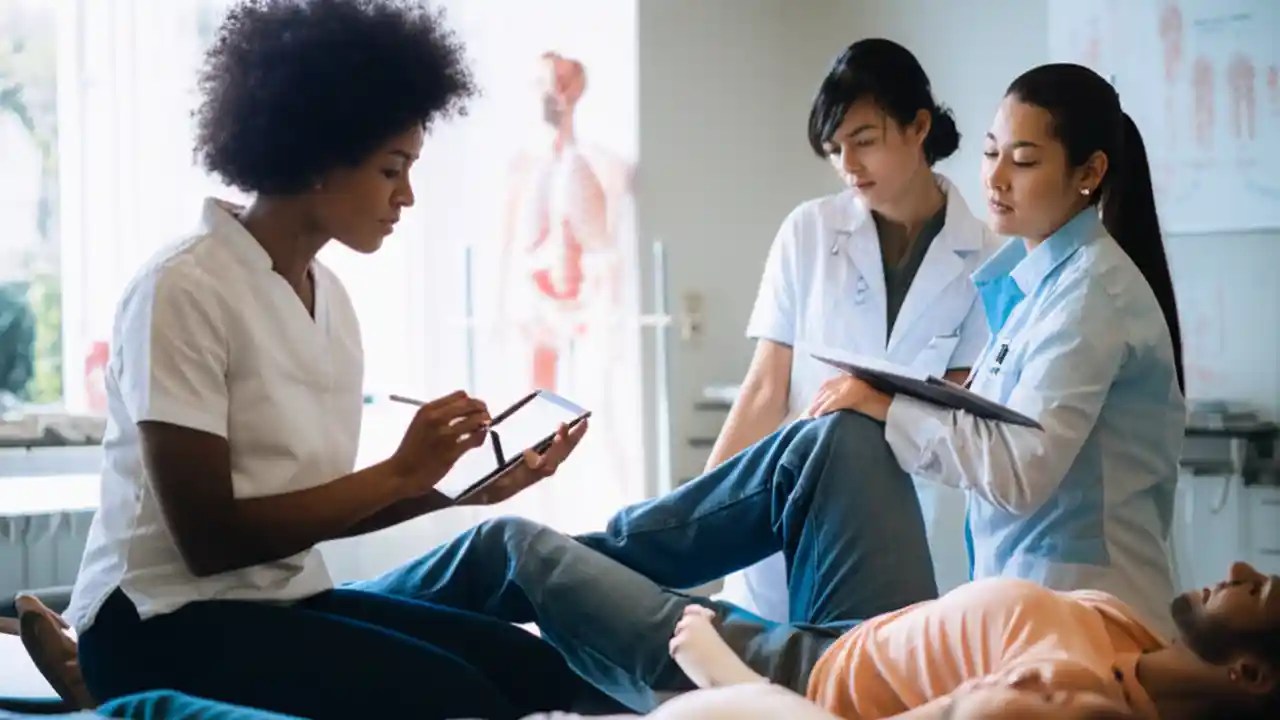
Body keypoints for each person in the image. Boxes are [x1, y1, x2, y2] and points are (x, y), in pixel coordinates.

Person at [59, 2, 599, 719]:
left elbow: (308, 510)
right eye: (390, 170)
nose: (406, 196)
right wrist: (400, 471)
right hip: (159, 621)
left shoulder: (329, 300)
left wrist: (459, 487)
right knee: (459, 699)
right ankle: (86, 675)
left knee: (534, 668)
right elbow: (209, 540)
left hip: (279, 601)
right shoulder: (183, 288)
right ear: (316, 158)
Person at [802, 62, 1187, 632]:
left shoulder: (1093, 296)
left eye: (1024, 160)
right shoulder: (1035, 285)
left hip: (1091, 617)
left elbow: (1019, 469)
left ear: (1090, 172)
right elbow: (998, 428)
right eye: (990, 153)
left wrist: (887, 408)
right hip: (1033, 611)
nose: (996, 178)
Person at [713, 39, 1001, 620]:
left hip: (913, 528)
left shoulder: (987, 260)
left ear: (918, 126)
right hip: (793, 513)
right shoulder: (809, 233)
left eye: (864, 141)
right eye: (834, 148)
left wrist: (873, 401)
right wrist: (703, 511)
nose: (848, 164)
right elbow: (767, 388)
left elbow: (963, 408)